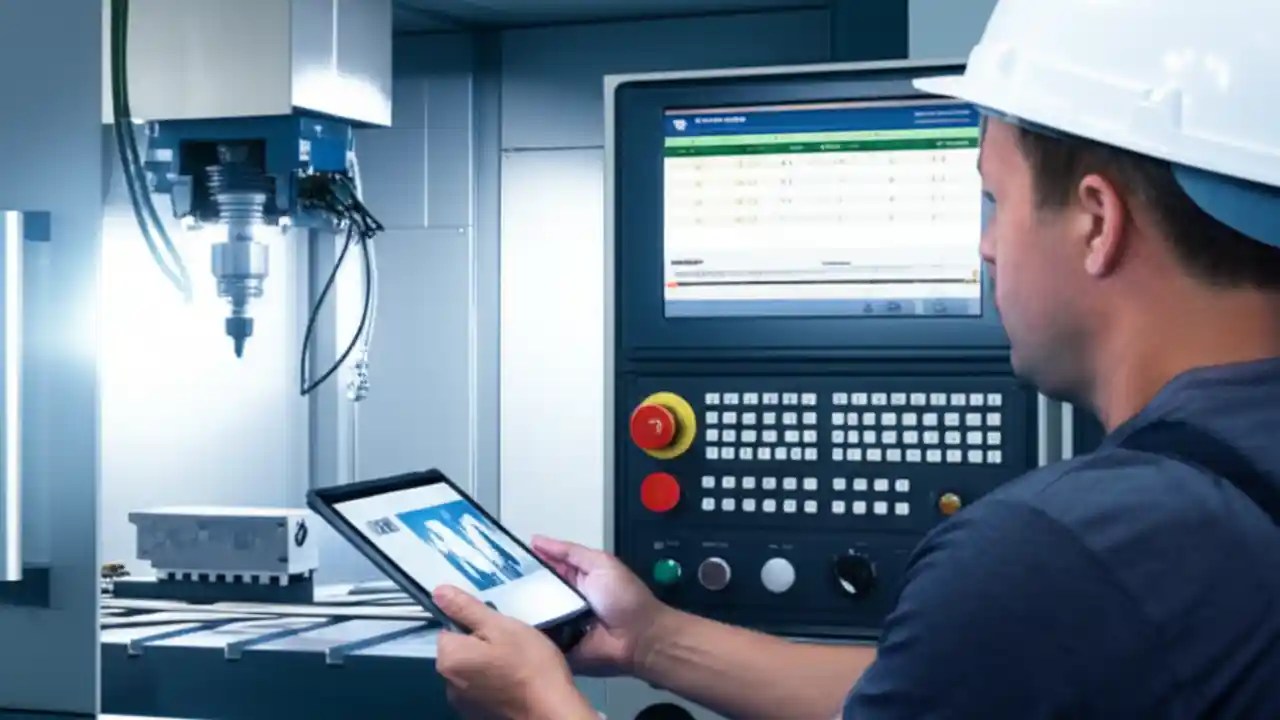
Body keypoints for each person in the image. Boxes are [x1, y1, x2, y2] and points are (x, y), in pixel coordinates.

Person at [432, 0, 1280, 717]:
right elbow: (956, 687)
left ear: (1096, 221)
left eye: (995, 199)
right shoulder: (1203, 503)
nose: (986, 247)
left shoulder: (1056, 549)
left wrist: (538, 703)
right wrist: (656, 640)